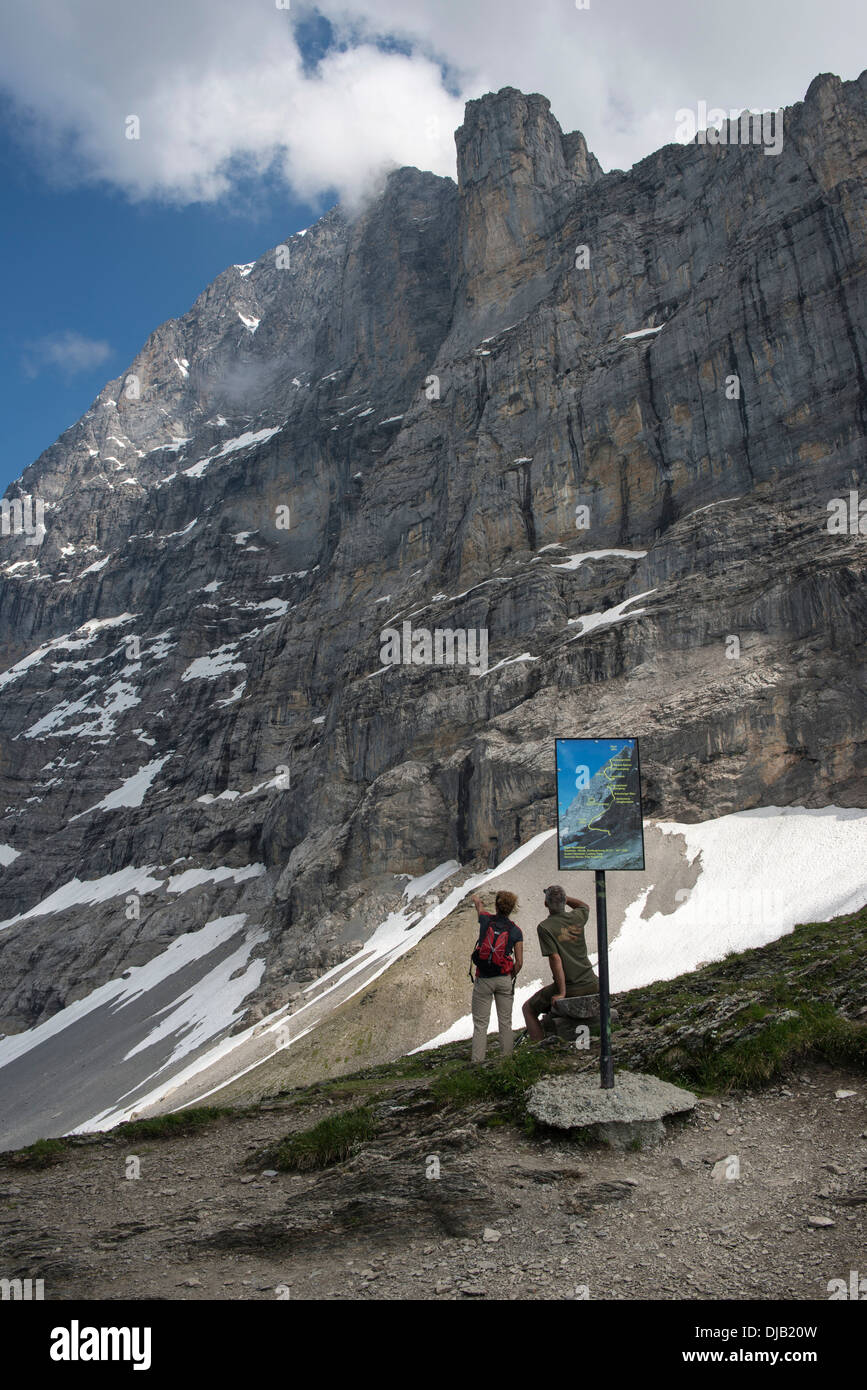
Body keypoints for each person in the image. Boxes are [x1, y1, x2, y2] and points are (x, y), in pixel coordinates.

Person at [522, 883, 596, 1042]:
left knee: (528, 1008)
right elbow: (584, 906)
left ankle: (538, 1048)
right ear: (564, 901)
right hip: (592, 982)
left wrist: (561, 992)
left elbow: (555, 959)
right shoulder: (577, 917)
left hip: (571, 987)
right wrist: (563, 898)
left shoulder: (545, 927)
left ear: (546, 904)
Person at [468, 890, 523, 1062]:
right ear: (512, 908)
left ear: (497, 906)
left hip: (483, 979)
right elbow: (519, 962)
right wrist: (508, 976)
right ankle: (506, 1061)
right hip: (503, 979)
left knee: (480, 1024)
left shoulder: (485, 920)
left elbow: (479, 907)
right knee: (505, 1023)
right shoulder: (516, 931)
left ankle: (477, 1063)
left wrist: (476, 899)